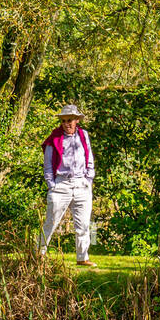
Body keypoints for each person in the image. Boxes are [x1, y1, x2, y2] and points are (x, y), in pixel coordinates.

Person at [38, 104, 97, 267]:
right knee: (51, 221)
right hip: (61, 184)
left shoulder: (84, 135)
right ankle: (39, 254)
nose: (67, 123)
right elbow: (48, 165)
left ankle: (82, 257)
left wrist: (88, 180)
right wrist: (52, 185)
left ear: (77, 120)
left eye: (69, 120)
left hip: (81, 184)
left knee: (83, 223)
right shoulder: (54, 138)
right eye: (64, 121)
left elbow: (89, 159)